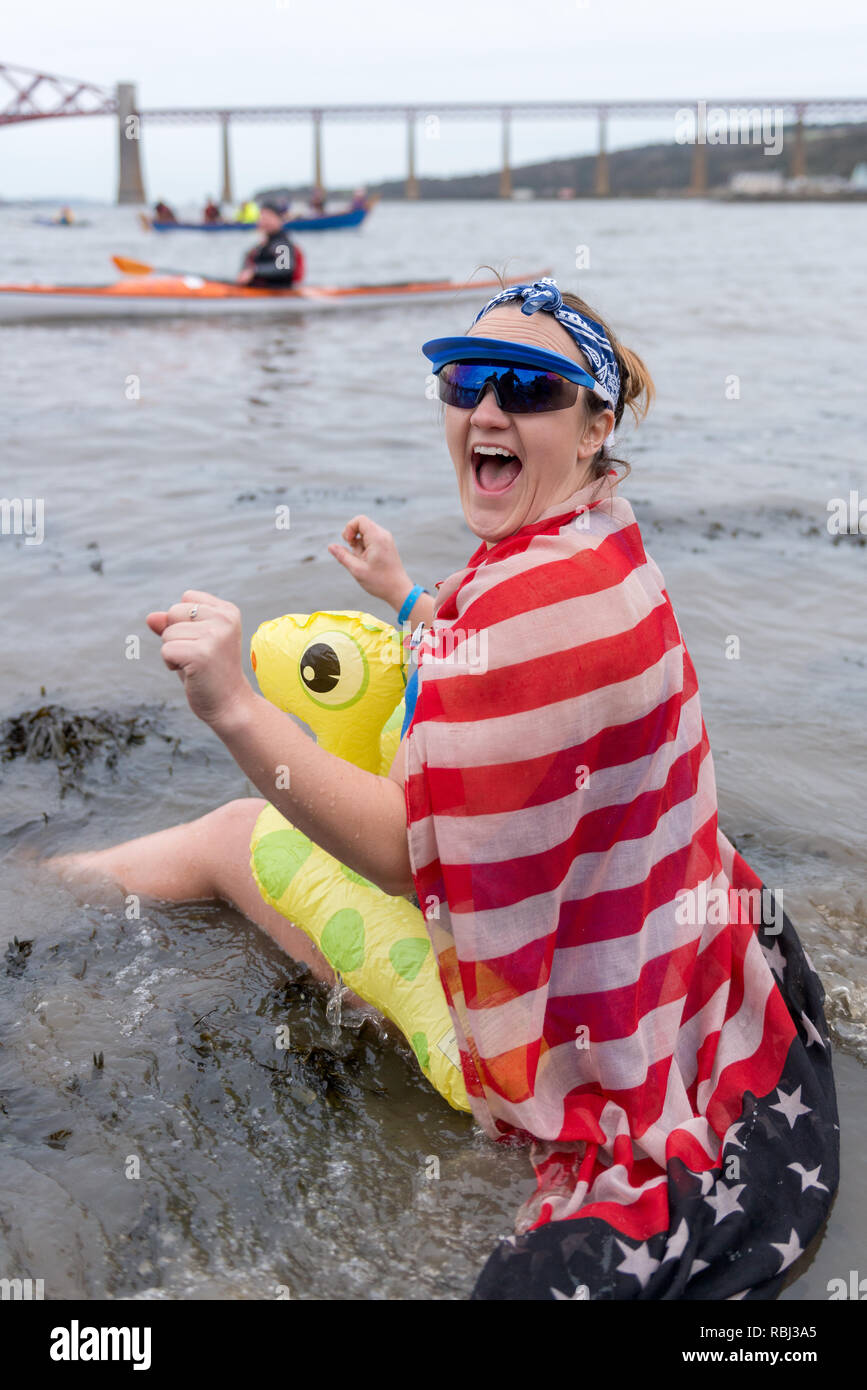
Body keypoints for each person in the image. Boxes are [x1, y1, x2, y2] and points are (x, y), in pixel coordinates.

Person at [50, 277, 838, 1301]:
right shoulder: (600, 546)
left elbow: (398, 848)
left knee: (234, 834)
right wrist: (406, 595)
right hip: (678, 971)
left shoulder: (536, 613)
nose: (487, 408)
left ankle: (41, 885)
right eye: (465, 379)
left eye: (531, 388)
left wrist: (234, 706)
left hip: (551, 1038)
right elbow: (514, 685)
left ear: (598, 425)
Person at [236, 201, 303, 288]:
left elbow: (284, 267)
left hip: (279, 292)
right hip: (257, 291)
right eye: (262, 218)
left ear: (279, 220)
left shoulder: (282, 243)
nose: (264, 221)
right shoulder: (259, 246)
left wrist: (255, 271)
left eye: (269, 217)